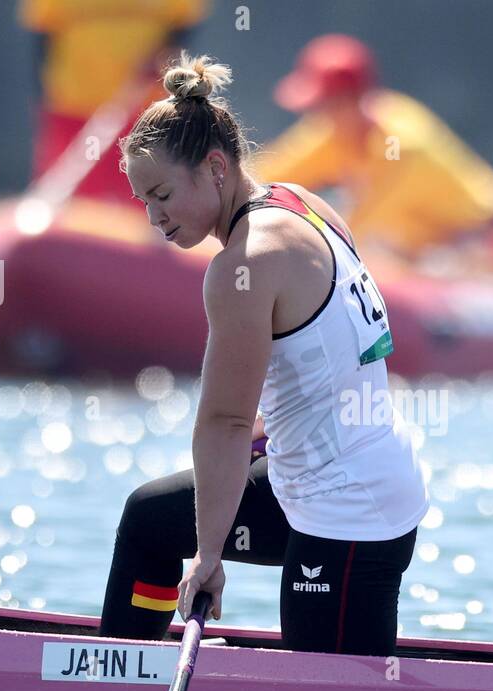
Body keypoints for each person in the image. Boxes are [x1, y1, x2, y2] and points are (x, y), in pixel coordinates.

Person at [98, 53, 429, 655]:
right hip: (320, 478)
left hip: (350, 512)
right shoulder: (303, 201)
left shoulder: (243, 265)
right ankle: (120, 674)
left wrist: (207, 556)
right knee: (151, 519)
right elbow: (330, 355)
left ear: (215, 166)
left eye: (164, 194)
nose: (154, 217)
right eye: (145, 200)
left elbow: (223, 423)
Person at [253, 34, 493, 262]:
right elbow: (264, 178)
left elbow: (351, 232)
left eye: (327, 104)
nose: (319, 114)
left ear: (355, 100)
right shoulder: (332, 130)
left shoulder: (402, 145)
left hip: (485, 240)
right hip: (421, 252)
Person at [20, 0, 207, 204]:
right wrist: (42, 96)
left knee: (142, 196)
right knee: (74, 200)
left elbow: (184, 24)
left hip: (145, 111)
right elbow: (41, 34)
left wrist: (163, 56)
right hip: (71, 104)